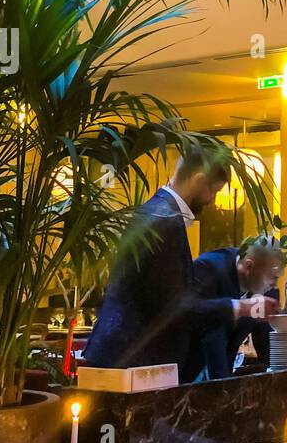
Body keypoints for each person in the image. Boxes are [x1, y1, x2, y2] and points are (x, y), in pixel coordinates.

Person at [83, 144, 231, 382]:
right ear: (199, 180)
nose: (212, 201)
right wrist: (235, 308)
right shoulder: (166, 220)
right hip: (134, 361)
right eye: (213, 192)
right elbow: (172, 305)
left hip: (117, 353)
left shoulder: (154, 210)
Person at [186, 236, 284, 381]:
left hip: (224, 375)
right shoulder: (209, 267)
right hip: (183, 369)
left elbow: (265, 340)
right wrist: (242, 307)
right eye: (273, 277)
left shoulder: (266, 288)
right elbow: (191, 313)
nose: (275, 284)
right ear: (249, 267)